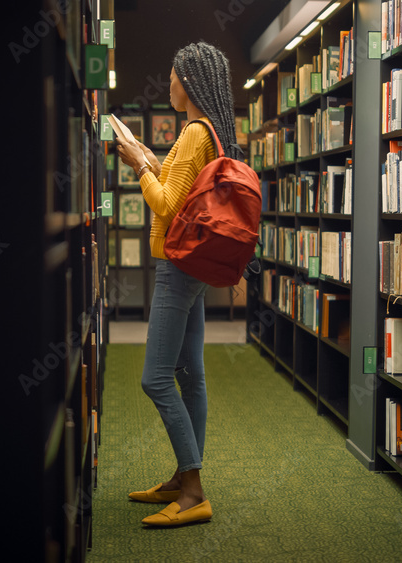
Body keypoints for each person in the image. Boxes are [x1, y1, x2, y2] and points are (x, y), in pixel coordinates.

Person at [115, 41, 243, 527]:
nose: (166, 82)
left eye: (171, 75)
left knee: (154, 378)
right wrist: (150, 156)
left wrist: (139, 166)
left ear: (186, 81)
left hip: (179, 266)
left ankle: (192, 490)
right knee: (191, 375)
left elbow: (167, 205)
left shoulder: (192, 133)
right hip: (197, 267)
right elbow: (183, 187)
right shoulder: (207, 132)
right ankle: (182, 477)